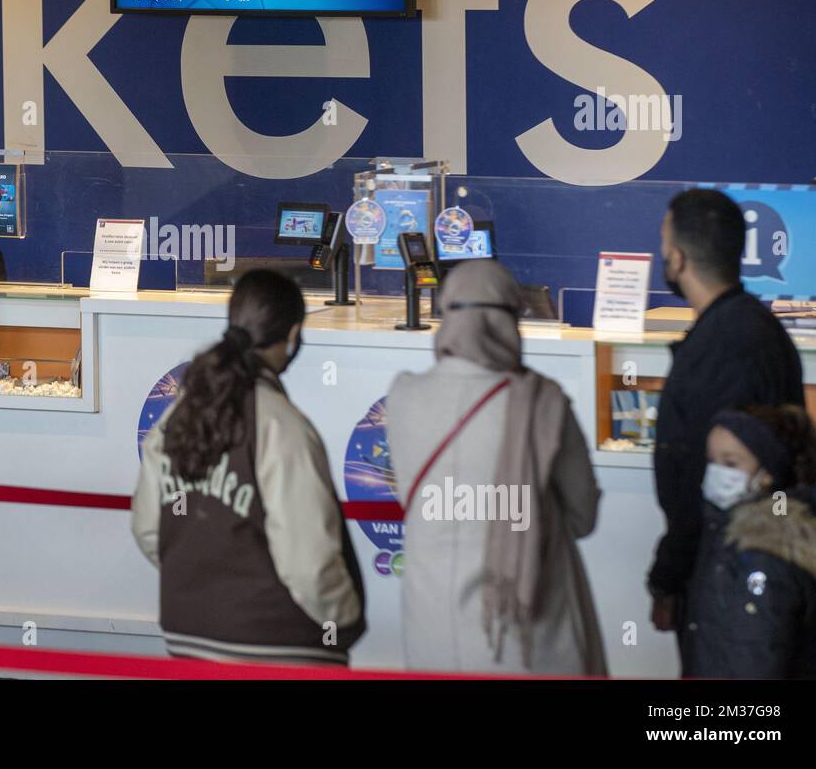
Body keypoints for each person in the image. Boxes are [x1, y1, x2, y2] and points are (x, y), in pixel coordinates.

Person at [131, 269, 365, 665]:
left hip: (187, 635)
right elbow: (309, 560)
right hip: (277, 645)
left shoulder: (177, 417)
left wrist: (200, 588)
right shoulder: (281, 425)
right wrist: (344, 620)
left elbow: (148, 528)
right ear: (292, 336)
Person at [387, 259, 606, 675]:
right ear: (510, 319)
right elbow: (583, 516)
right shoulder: (543, 401)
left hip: (430, 634)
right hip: (528, 636)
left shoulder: (403, 397)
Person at [648, 188, 805, 666]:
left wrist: (669, 577)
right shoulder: (756, 327)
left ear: (677, 257)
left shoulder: (722, 348)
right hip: (755, 562)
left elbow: (707, 481)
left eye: (663, 243)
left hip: (730, 569)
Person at [683, 405, 816, 678]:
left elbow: (755, 655)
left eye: (730, 463)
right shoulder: (727, 529)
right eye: (711, 461)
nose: (716, 472)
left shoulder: (767, 551)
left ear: (767, 473)